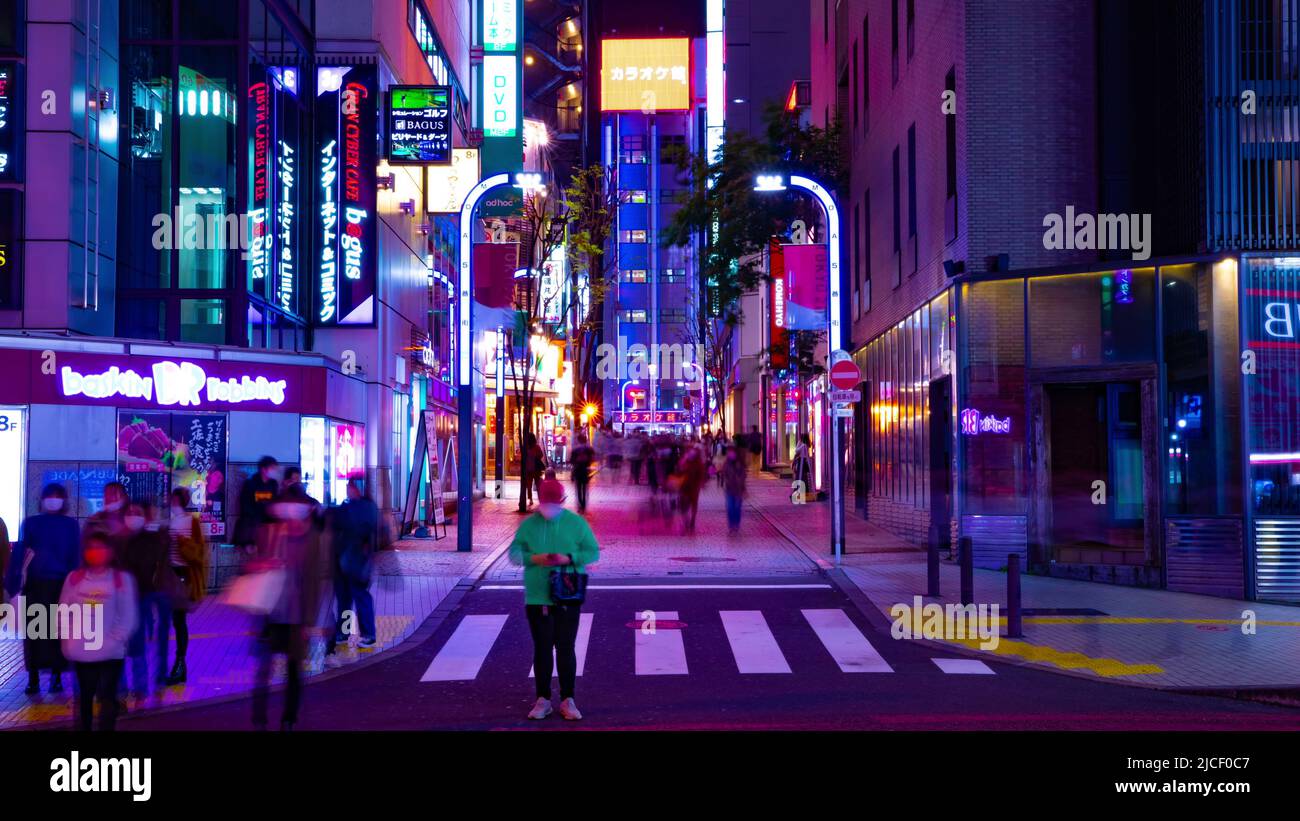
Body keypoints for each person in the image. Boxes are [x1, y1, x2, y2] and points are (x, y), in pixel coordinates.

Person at [507, 479, 599, 721]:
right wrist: (535, 558)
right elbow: (514, 554)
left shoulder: (576, 524)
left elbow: (593, 551)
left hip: (567, 594)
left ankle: (568, 698)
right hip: (538, 596)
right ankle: (543, 699)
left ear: (562, 501)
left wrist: (568, 558)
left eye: (552, 502)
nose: (549, 506)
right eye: (545, 502)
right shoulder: (529, 526)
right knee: (543, 648)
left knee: (566, 647)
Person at [253, 483, 325, 730]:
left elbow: (314, 580)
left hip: (296, 616)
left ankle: (289, 718)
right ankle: (260, 718)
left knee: (294, 670)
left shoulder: (312, 539)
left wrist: (310, 620)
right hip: (270, 612)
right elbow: (255, 570)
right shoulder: (270, 534)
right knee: (264, 668)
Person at [60, 530, 138, 731]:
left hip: (111, 652)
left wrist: (114, 640)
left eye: (100, 547)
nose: (96, 552)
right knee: (85, 697)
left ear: (110, 551)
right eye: (91, 548)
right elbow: (64, 611)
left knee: (108, 697)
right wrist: (70, 638)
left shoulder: (121, 580)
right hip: (82, 650)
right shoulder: (75, 578)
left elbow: (128, 615)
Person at [6, 484, 80, 695]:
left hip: (61, 585)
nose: (53, 500)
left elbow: (75, 557)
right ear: (42, 499)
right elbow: (20, 555)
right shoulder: (31, 523)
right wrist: (14, 586)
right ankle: (34, 678)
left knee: (58, 632)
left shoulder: (70, 525)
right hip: (35, 584)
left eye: (58, 496)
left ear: (64, 500)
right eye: (50, 496)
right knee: (35, 632)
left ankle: (55, 676)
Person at [119, 501, 172, 699]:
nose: (134, 517)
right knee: (133, 640)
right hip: (132, 593)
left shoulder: (158, 536)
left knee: (154, 638)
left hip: (153, 591)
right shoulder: (124, 538)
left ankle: (153, 681)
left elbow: (162, 557)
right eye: (130, 512)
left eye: (138, 513)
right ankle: (134, 686)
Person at [328, 479, 378, 658]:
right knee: (346, 598)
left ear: (357, 489)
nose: (347, 491)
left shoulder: (359, 508)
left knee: (356, 597)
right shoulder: (366, 507)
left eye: (349, 487)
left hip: (355, 560)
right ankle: (345, 632)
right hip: (348, 560)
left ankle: (366, 634)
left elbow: (338, 521)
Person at [165, 487, 209, 685]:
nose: (173, 503)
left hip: (183, 576)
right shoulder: (169, 522)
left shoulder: (192, 522)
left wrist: (181, 541)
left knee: (179, 621)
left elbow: (199, 554)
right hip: (168, 575)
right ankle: (174, 665)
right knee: (171, 622)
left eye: (176, 500)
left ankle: (180, 663)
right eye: (172, 500)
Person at [234, 456, 280, 554]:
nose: (274, 472)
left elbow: (274, 503)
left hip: (268, 526)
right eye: (272, 469)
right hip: (253, 526)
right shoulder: (251, 483)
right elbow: (245, 506)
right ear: (263, 469)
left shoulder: (273, 484)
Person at [676, 444, 708, 533]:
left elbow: (701, 474)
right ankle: (686, 521)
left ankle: (692, 521)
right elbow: (679, 471)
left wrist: (700, 483)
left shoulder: (698, 463)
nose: (690, 453)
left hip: (694, 487)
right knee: (683, 506)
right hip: (684, 487)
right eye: (688, 451)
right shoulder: (684, 461)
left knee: (693, 505)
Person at [87, 482, 129, 548]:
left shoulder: (130, 519)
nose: (108, 497)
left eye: (113, 494)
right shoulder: (95, 520)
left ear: (123, 497)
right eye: (106, 494)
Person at [722, 446, 748, 534]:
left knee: (737, 508)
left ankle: (736, 525)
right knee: (730, 508)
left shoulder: (739, 463)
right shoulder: (726, 463)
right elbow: (724, 473)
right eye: (729, 452)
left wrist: (741, 485)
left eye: (732, 452)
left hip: (738, 489)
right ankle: (731, 525)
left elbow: (743, 475)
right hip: (729, 489)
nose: (730, 454)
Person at [569, 434, 596, 513]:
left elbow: (572, 460)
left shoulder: (575, 449)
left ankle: (580, 504)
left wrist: (572, 472)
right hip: (585, 469)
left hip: (577, 469)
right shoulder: (588, 448)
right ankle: (583, 505)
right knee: (584, 488)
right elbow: (592, 457)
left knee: (578, 488)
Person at [522, 432, 547, 507]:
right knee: (537, 484)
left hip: (529, 468)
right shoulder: (536, 447)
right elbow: (541, 455)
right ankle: (539, 499)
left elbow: (523, 458)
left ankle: (531, 499)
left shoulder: (526, 447)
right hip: (535, 469)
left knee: (529, 485)